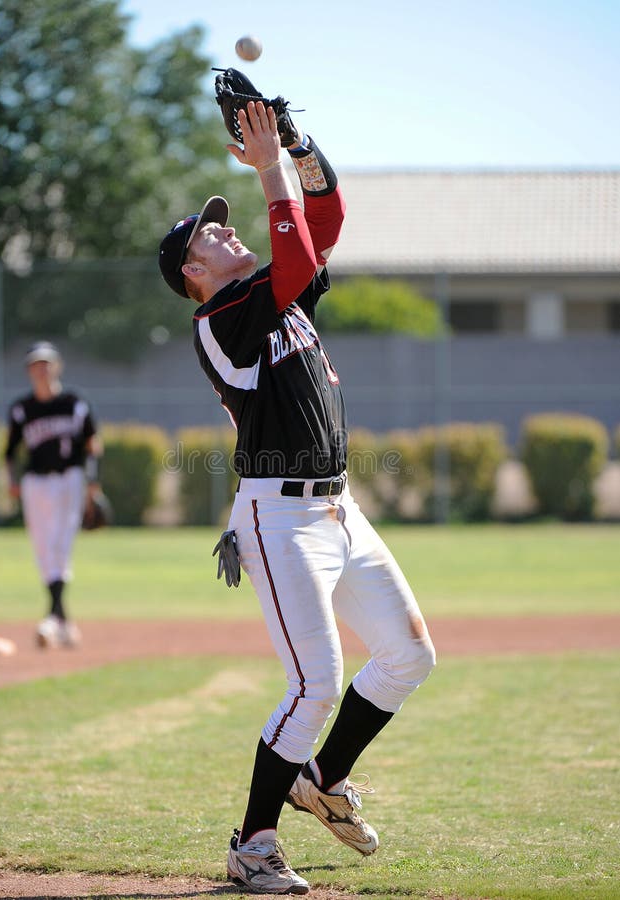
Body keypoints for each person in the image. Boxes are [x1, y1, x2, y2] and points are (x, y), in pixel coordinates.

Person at [159, 100, 436, 895]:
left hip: (339, 510)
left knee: (409, 655)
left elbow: (324, 218)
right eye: (208, 235)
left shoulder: (280, 296)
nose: (225, 229)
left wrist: (299, 148)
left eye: (221, 223)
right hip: (278, 516)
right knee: (315, 680)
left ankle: (322, 777)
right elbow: (288, 246)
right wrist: (269, 165)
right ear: (193, 274)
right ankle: (250, 844)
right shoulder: (221, 317)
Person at [4, 341, 103, 648]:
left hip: (69, 479)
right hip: (35, 483)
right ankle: (61, 620)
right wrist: (12, 482)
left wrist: (92, 481)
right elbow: (9, 452)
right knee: (44, 548)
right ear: (29, 371)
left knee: (60, 544)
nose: (41, 369)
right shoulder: (22, 409)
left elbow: (93, 445)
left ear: (57, 367)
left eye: (46, 363)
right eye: (35, 364)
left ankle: (52, 618)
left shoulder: (74, 403)